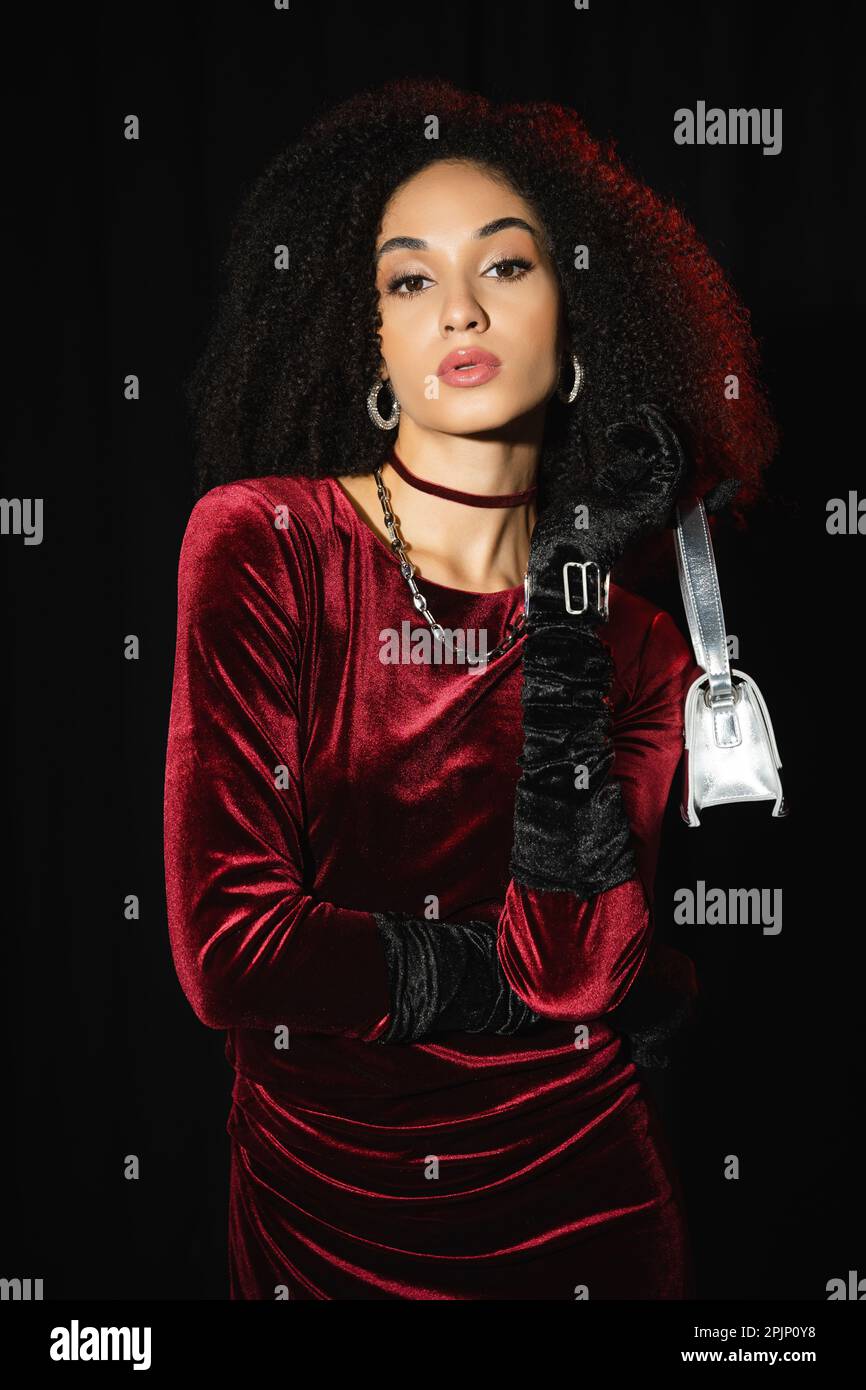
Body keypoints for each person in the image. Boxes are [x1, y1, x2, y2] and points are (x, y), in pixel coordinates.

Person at [164, 78, 778, 1300]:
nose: (457, 305)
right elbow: (232, 955)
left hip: (586, 1216)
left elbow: (572, 978)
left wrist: (562, 611)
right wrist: (489, 981)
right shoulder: (261, 544)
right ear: (371, 343)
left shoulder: (637, 641)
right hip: (321, 1226)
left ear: (577, 327)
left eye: (503, 268)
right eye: (408, 279)